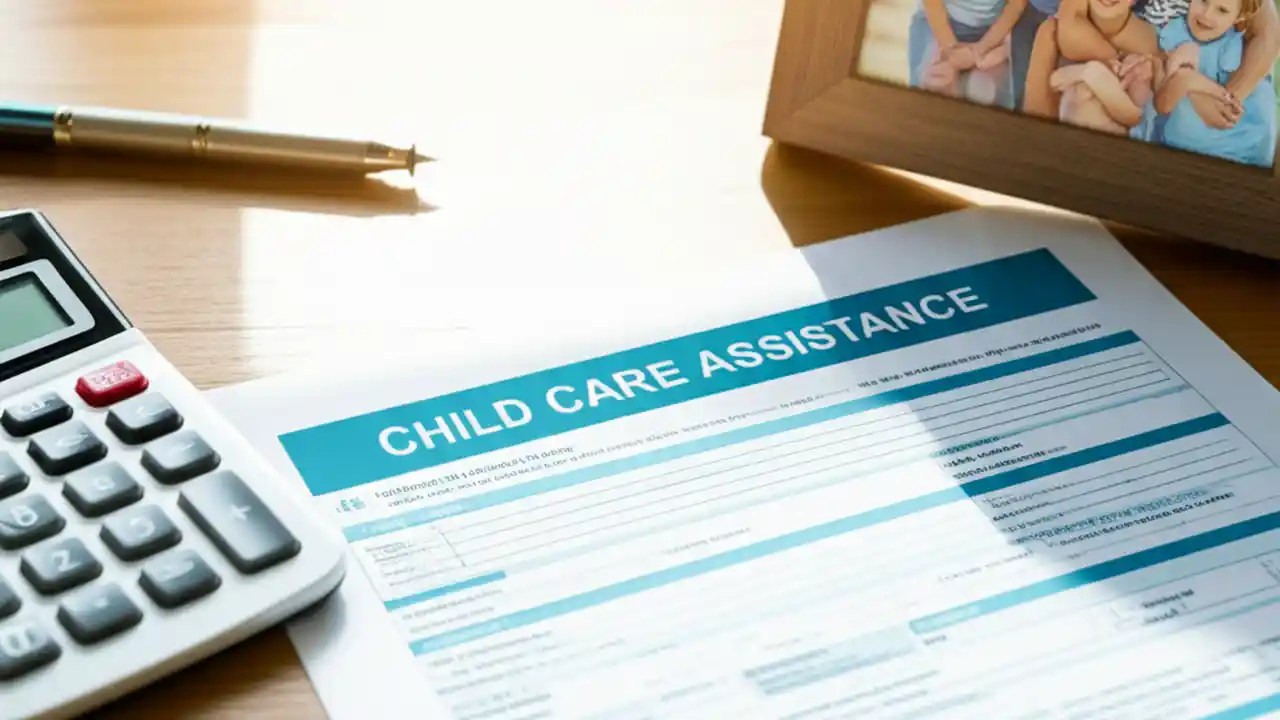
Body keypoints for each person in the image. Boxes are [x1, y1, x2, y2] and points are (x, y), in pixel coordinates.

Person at [1054, 0, 1279, 131]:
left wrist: (1226, 98)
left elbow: (1268, 31)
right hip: (1146, 57)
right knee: (1081, 103)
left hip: (1208, 74)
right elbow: (1072, 28)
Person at [1155, 0, 1277, 165]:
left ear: (1239, 17)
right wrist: (1187, 81)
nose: (1207, 15)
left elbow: (1268, 34)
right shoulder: (1173, 34)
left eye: (1222, 10)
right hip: (1185, 147)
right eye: (1203, 1)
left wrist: (1218, 97)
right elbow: (1162, 103)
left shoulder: (1236, 45)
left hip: (1246, 149)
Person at [1022, 0, 1160, 135]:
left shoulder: (1147, 47)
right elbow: (1036, 121)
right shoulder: (1053, 29)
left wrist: (1093, 73)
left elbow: (1135, 118)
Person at [909, 0, 1029, 108]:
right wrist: (951, 48)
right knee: (933, 85)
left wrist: (981, 49)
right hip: (938, 21)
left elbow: (1018, 4)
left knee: (988, 90)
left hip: (995, 28)